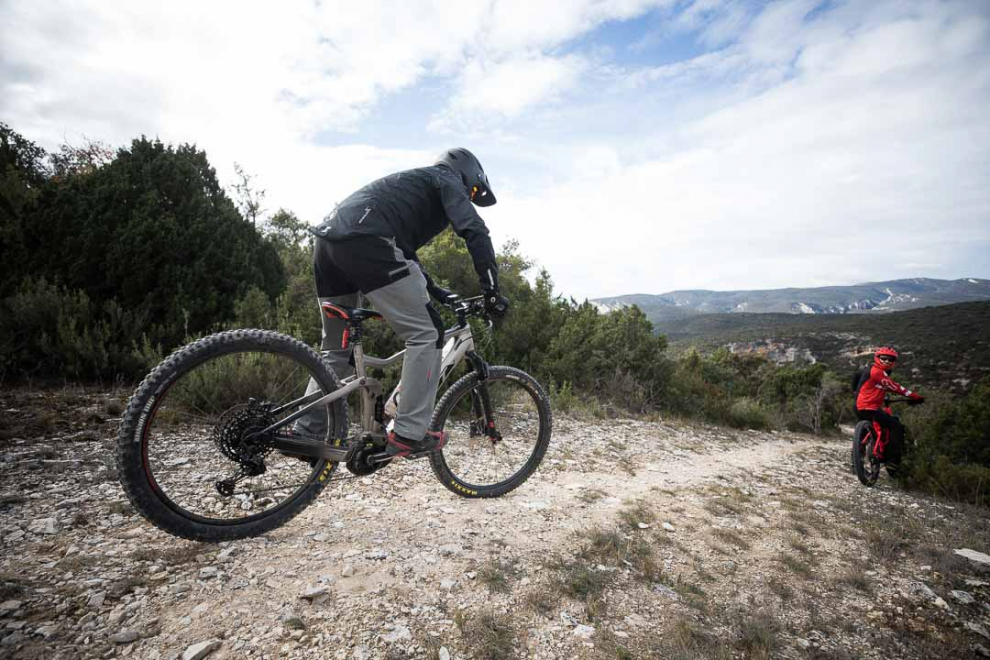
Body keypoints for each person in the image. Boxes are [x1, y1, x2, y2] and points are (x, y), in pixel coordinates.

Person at [295, 148, 509, 458]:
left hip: (328, 243)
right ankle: (409, 433)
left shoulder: (410, 187)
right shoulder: (445, 178)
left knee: (335, 349)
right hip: (364, 239)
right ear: (466, 175)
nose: (469, 197)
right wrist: (491, 289)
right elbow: (475, 230)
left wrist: (439, 292)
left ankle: (306, 430)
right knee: (427, 332)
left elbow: (404, 253)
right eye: (472, 191)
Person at [853, 346, 924, 463]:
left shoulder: (873, 370)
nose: (887, 361)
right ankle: (892, 460)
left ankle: (857, 458)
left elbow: (884, 387)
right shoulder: (877, 371)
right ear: (877, 358)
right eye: (884, 358)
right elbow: (895, 387)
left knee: (876, 426)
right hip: (870, 408)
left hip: (860, 406)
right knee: (897, 427)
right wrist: (915, 396)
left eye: (890, 359)